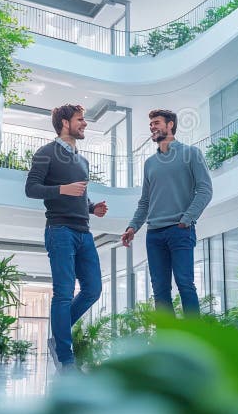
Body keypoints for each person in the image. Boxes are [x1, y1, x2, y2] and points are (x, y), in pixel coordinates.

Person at [25, 104, 107, 371]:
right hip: (59, 230)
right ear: (64, 123)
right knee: (63, 293)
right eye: (80, 120)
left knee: (93, 289)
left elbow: (79, 196)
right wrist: (62, 189)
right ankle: (65, 357)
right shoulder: (45, 153)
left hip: (84, 232)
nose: (84, 124)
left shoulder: (82, 160)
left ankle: (58, 334)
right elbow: (31, 189)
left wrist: (92, 207)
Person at [122, 109, 212, 316]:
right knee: (160, 290)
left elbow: (205, 190)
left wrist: (186, 219)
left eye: (156, 123)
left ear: (170, 125)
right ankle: (167, 342)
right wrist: (132, 227)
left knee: (185, 283)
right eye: (151, 124)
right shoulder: (149, 164)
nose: (152, 127)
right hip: (154, 235)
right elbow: (145, 201)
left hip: (180, 231)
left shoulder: (191, 153)